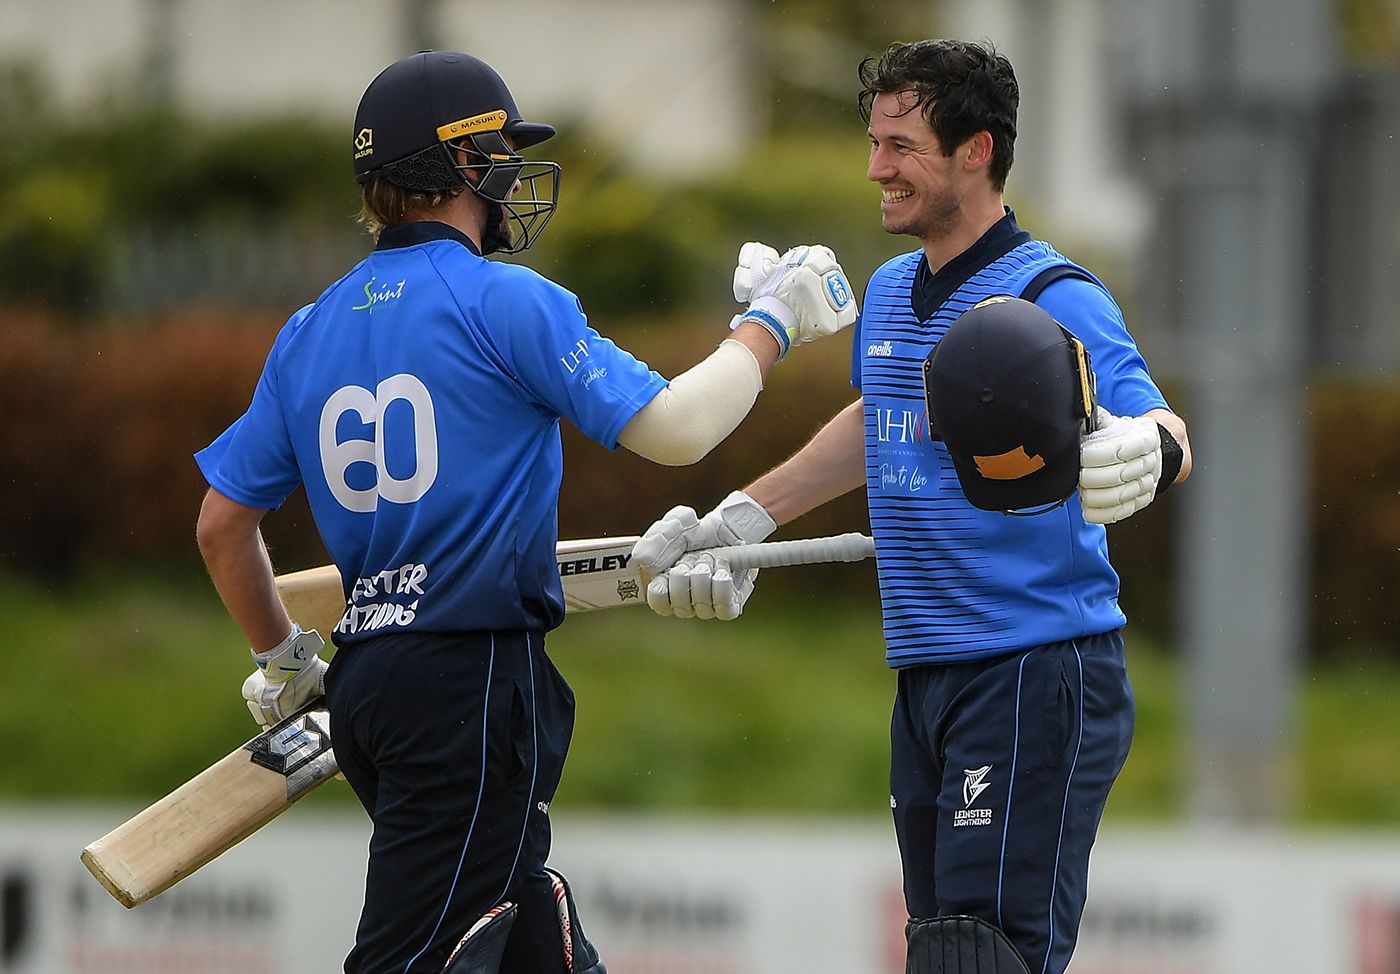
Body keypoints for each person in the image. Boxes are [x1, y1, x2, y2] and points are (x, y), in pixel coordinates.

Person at [192, 51, 856, 974]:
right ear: (462, 166)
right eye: (499, 149)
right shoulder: (506, 301)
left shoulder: (310, 328)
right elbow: (678, 431)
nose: (511, 170)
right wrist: (770, 324)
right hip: (471, 683)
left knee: (525, 932)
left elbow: (222, 526)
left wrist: (284, 660)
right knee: (417, 954)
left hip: (369, 685)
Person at [631, 39, 1192, 974]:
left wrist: (1154, 449)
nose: (875, 169)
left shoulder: (1053, 295)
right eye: (875, 142)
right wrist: (742, 517)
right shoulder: (891, 291)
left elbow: (1159, 424)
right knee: (943, 949)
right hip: (928, 669)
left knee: (984, 955)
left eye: (901, 147)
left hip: (1032, 667)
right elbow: (883, 418)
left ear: (976, 151)